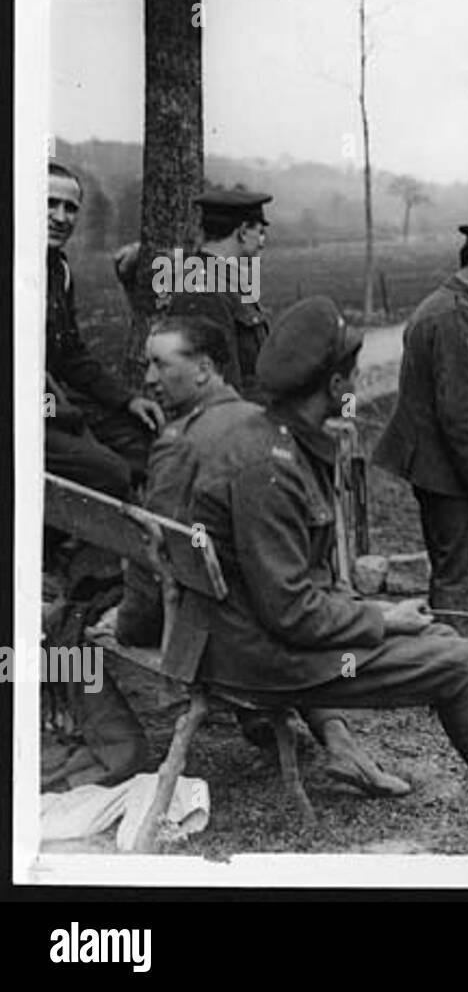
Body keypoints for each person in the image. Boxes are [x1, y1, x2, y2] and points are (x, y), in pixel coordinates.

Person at [181, 296, 468, 852]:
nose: (357, 383)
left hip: (251, 636)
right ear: (336, 383)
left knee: (441, 637)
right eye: (351, 374)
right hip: (262, 658)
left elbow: (297, 585)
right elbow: (291, 609)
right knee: (462, 662)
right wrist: (380, 619)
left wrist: (384, 618)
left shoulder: (276, 441)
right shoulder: (270, 467)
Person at [114, 314, 408, 797]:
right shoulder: (261, 424)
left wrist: (127, 627)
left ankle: (328, 739)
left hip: (217, 635)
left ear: (205, 369)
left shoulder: (178, 443)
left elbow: (154, 562)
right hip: (270, 612)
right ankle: (339, 740)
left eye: (160, 365)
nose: (149, 379)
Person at [373, 226, 468, 641]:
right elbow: (460, 414)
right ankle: (456, 671)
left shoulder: (451, 307)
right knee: (463, 573)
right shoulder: (453, 316)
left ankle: (451, 666)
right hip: (446, 470)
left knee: (455, 569)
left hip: (438, 465)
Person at [45, 161, 163, 498]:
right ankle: (55, 545)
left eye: (70, 208)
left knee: (142, 439)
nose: (60, 217)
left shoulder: (59, 270)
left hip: (54, 403)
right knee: (110, 473)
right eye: (49, 203)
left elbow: (71, 354)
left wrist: (126, 400)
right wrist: (67, 417)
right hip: (29, 413)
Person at [163, 187, 274, 399]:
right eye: (260, 232)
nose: (263, 241)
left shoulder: (225, 281)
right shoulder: (204, 290)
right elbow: (219, 388)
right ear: (242, 232)